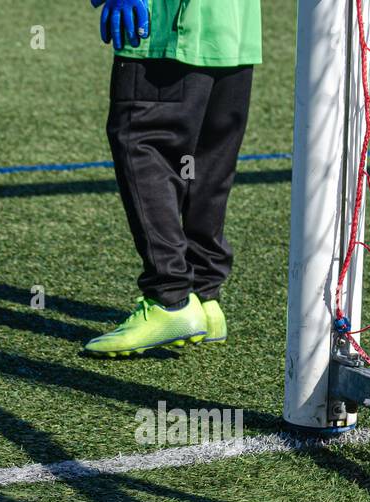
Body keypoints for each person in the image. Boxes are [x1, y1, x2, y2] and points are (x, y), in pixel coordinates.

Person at [84, 0, 262, 357]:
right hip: (233, 31)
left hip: (167, 27)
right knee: (206, 160)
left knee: (143, 146)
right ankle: (204, 297)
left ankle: (170, 299)